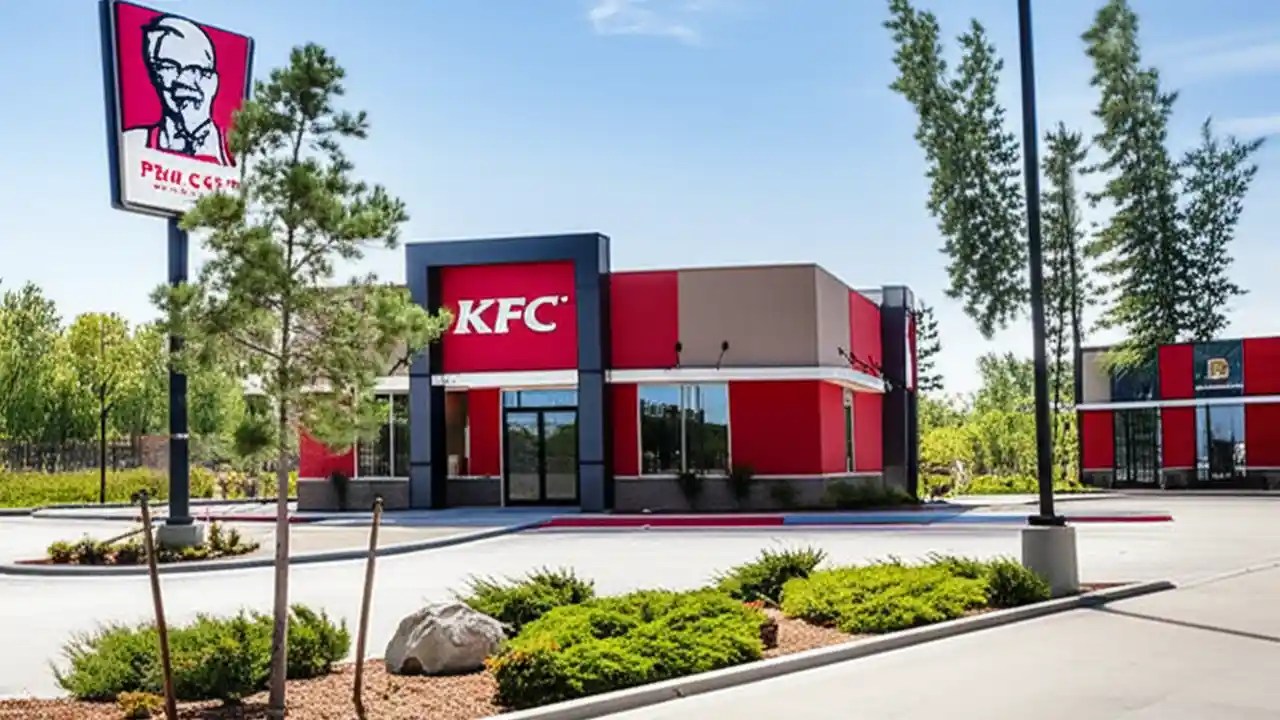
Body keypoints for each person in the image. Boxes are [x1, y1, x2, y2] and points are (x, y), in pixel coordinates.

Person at [122, 15, 230, 166]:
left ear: (213, 81)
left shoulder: (240, 154)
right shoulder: (131, 144)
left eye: (195, 69)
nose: (182, 80)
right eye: (169, 67)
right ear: (154, 75)